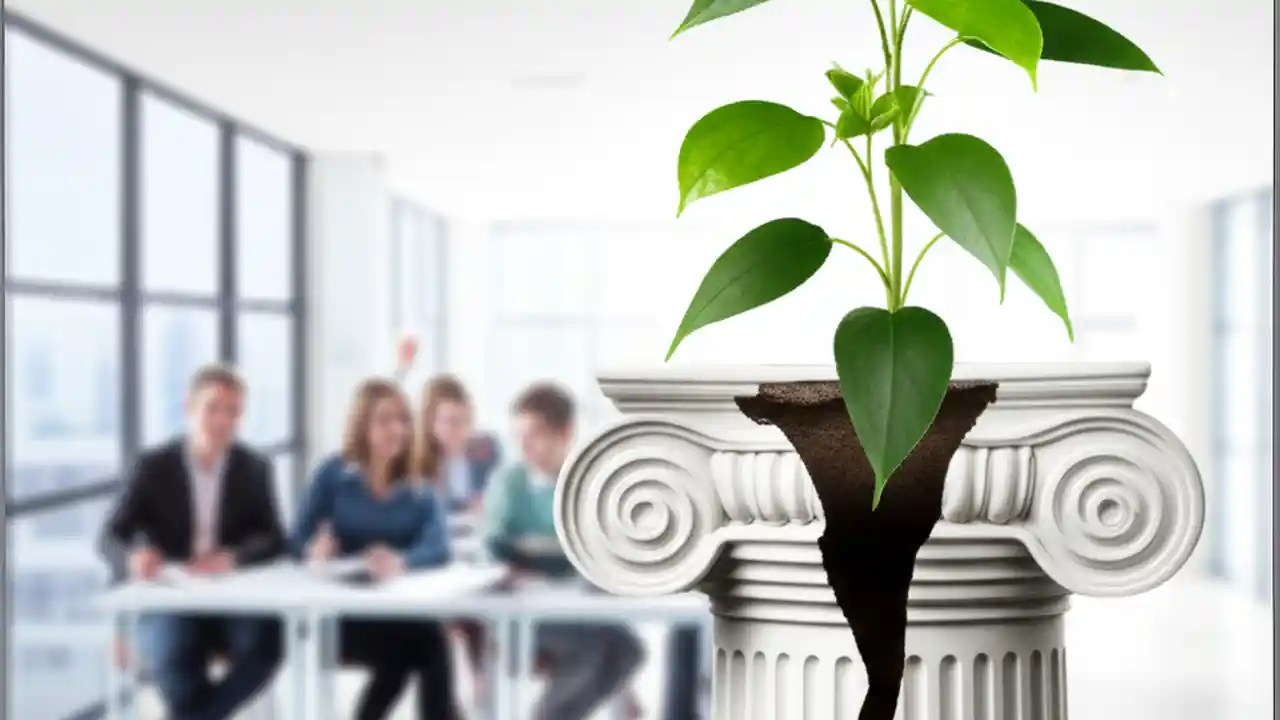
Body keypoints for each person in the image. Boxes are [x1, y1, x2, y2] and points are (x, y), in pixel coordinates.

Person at [101, 364, 284, 720]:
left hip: (233, 596)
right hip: (172, 597)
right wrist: (134, 558)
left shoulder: (255, 467)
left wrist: (233, 557)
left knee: (270, 644)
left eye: (233, 411)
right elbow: (110, 537)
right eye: (213, 408)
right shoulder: (153, 466)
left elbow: (275, 537)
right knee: (176, 658)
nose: (223, 420)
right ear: (189, 408)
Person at [290, 378, 457, 720]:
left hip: (396, 611)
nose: (395, 429)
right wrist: (314, 550)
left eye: (402, 420)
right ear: (362, 424)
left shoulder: (418, 482)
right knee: (417, 649)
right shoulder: (334, 475)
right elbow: (295, 540)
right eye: (384, 420)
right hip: (343, 615)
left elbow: (439, 546)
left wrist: (403, 560)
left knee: (428, 642)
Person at [483, 381, 644, 720]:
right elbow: (491, 546)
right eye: (520, 436)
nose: (525, 446)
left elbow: (609, 542)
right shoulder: (510, 484)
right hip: (523, 610)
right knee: (591, 648)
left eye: (535, 434)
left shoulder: (589, 482)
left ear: (565, 432)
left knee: (628, 650)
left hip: (578, 601)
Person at [412, 374, 501, 513]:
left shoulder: (487, 450)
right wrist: (468, 505)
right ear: (430, 423)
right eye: (452, 422)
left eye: (467, 420)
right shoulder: (415, 462)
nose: (464, 431)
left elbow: (500, 500)